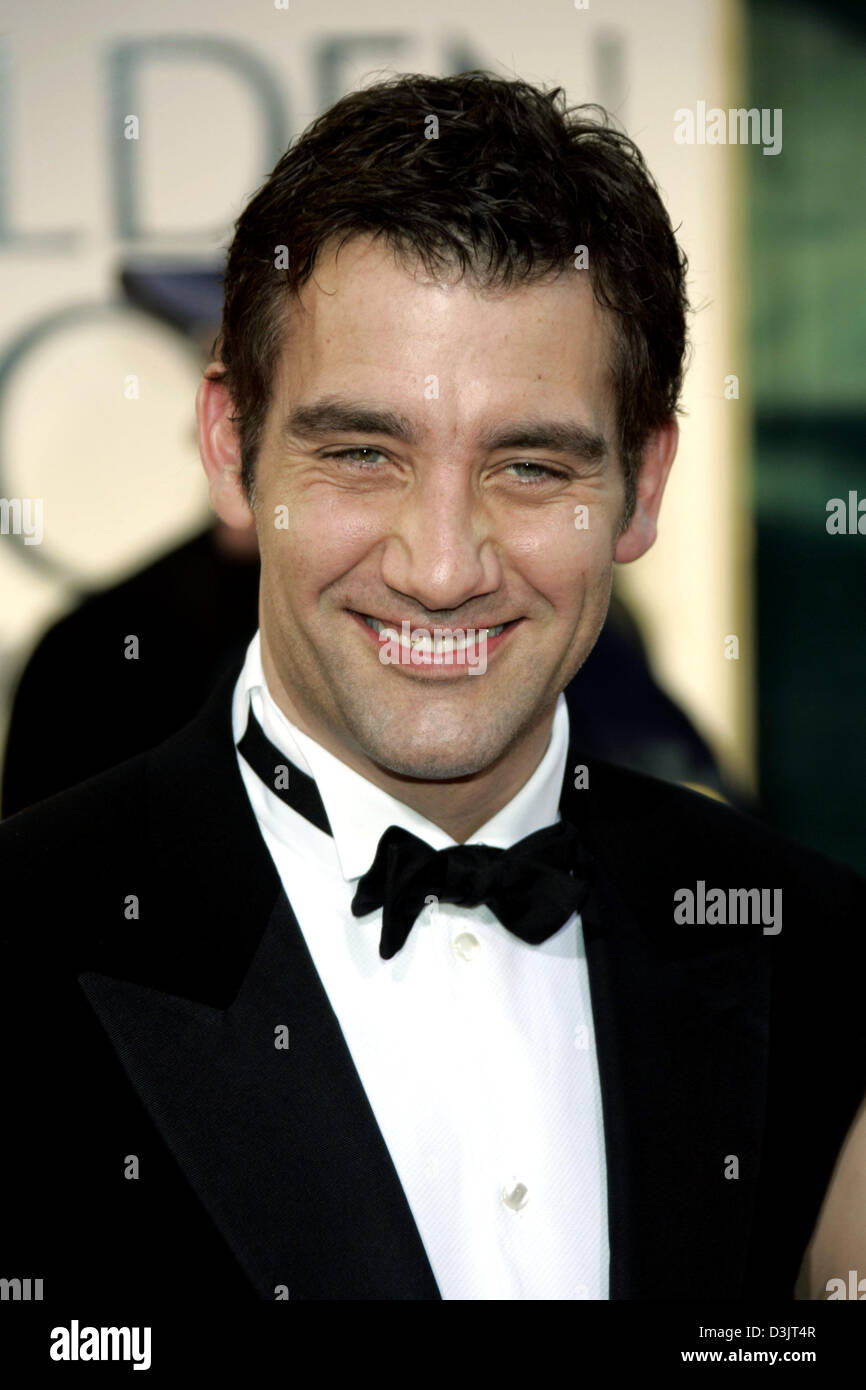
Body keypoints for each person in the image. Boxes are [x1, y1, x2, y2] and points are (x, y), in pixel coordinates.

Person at [1, 71, 863, 1303]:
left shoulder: (810, 945)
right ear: (228, 448)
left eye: (528, 464)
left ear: (643, 482)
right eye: (362, 452)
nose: (443, 568)